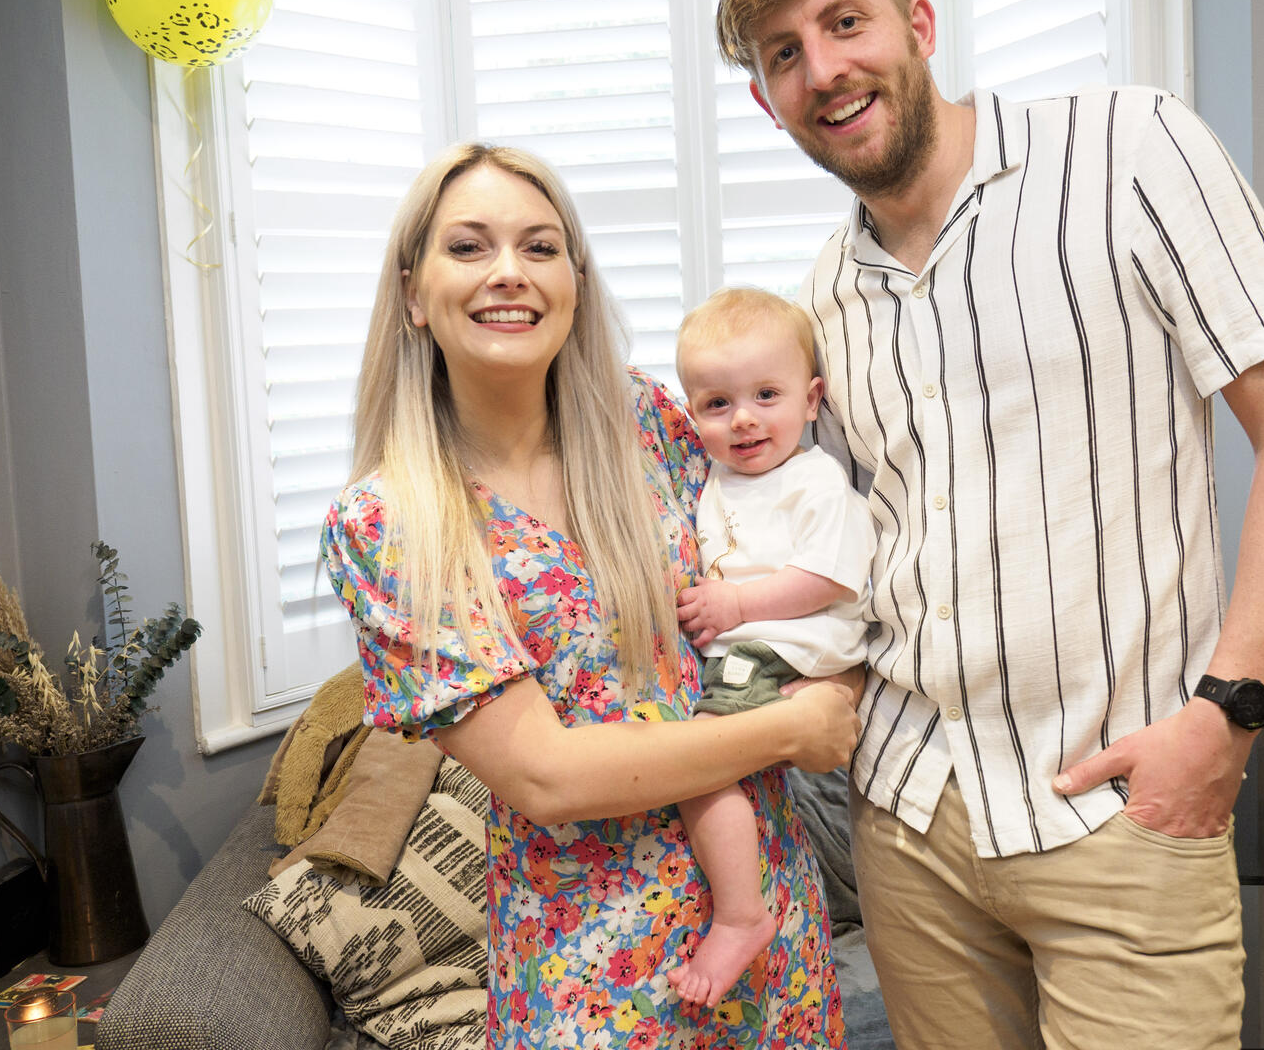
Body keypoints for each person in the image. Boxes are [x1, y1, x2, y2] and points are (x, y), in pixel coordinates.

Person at [715, 0, 1264, 1050]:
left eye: (843, 20)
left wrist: (1227, 717)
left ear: (914, 22)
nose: (824, 68)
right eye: (784, 56)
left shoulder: (1129, 149)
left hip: (1119, 811)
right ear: (767, 102)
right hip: (910, 825)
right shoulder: (821, 301)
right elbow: (858, 547)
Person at [318, 143, 860, 1049]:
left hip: (768, 922)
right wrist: (793, 727)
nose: (508, 274)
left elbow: (796, 555)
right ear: (413, 292)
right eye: (468, 247)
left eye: (539, 247)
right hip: (592, 974)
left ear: (576, 278)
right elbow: (548, 777)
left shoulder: (652, 423)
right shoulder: (390, 523)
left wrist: (833, 671)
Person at [666, 287, 876, 1008]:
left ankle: (740, 913)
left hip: (789, 648)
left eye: (765, 394)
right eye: (717, 404)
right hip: (749, 651)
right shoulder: (719, 482)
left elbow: (825, 578)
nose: (745, 418)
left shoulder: (816, 481)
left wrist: (734, 604)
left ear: (812, 399)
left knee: (694, 765)